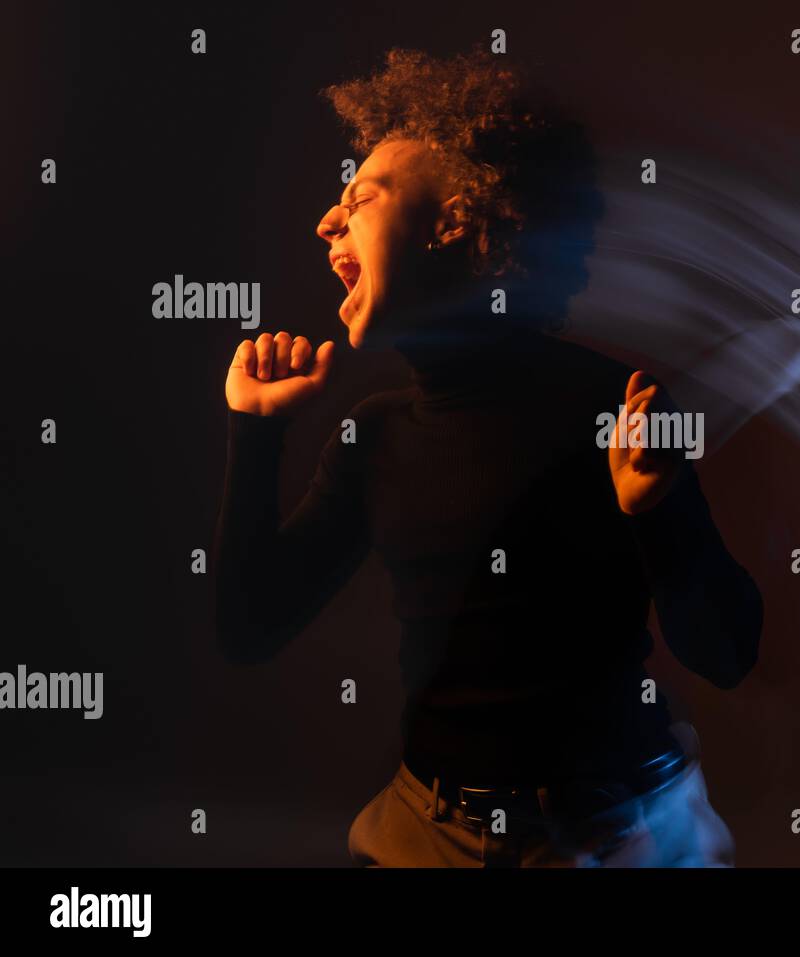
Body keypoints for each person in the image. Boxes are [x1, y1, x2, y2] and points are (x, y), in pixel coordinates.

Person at [213, 48, 763, 867]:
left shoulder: (611, 404)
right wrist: (255, 433)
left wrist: (661, 507)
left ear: (460, 218)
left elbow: (727, 653)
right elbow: (250, 628)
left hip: (625, 832)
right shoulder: (375, 434)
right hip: (426, 832)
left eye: (361, 197)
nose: (327, 223)